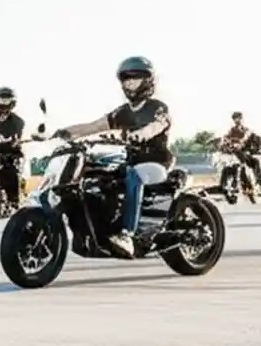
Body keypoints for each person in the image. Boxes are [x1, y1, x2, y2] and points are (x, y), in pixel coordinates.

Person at [52, 56, 172, 258]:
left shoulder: (157, 107)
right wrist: (65, 132)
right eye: (126, 78)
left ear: (148, 80)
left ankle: (127, 235)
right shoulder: (122, 112)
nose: (130, 82)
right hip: (131, 161)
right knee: (97, 176)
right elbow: (93, 126)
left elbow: (157, 125)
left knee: (133, 175)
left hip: (157, 161)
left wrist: (141, 134)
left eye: (136, 78)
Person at [221, 111, 261, 191]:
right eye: (236, 118)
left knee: (256, 161)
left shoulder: (247, 130)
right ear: (233, 120)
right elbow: (225, 140)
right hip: (235, 155)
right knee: (229, 166)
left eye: (239, 118)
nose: (238, 120)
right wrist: (226, 144)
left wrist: (241, 143)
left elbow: (247, 137)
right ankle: (226, 184)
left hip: (245, 154)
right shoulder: (231, 131)